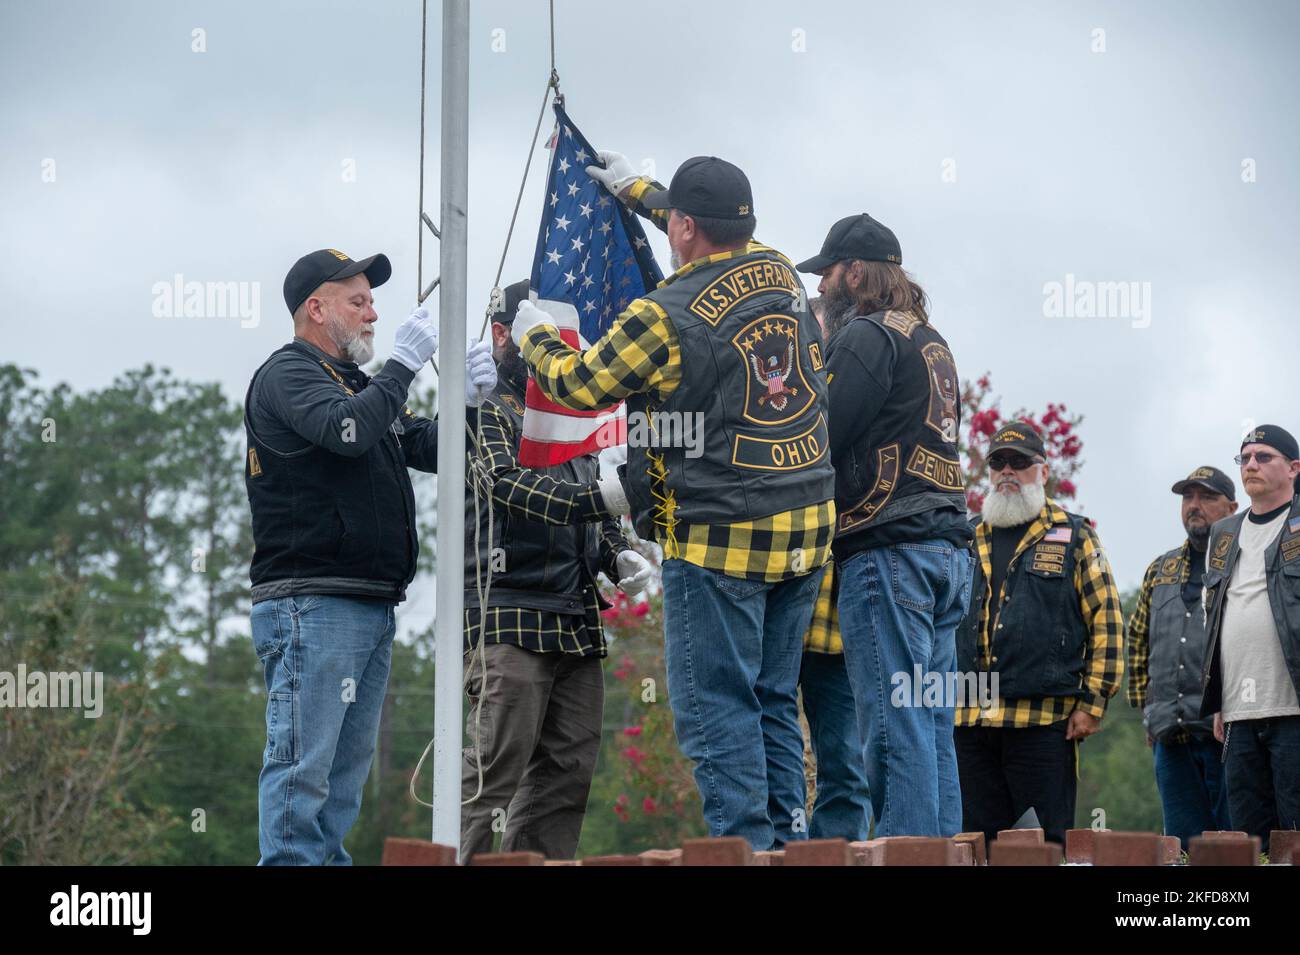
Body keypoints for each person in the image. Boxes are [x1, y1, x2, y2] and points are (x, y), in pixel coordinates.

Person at [511, 153, 835, 850]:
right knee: (774, 697)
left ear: (684, 227)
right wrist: (637, 190)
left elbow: (577, 384)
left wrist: (532, 330)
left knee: (716, 705)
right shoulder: (779, 269)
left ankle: (744, 849)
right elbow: (694, 222)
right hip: (808, 525)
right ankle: (788, 843)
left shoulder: (661, 316)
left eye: (673, 221)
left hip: (722, 537)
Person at [244, 247, 496, 864]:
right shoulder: (288, 374)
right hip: (313, 602)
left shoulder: (356, 386)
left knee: (339, 789)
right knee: (302, 775)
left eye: (372, 301)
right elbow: (348, 433)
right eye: (358, 301)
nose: (373, 314)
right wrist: (405, 366)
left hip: (363, 602)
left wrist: (471, 400)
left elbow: (436, 450)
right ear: (316, 308)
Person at [459, 279, 651, 860]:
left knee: (565, 777)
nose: (561, 349)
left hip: (575, 615)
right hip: (507, 613)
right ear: (503, 335)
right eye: (542, 334)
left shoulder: (573, 417)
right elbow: (509, 488)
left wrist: (614, 548)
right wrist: (603, 503)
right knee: (495, 770)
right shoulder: (486, 411)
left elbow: (588, 491)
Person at [797, 214, 972, 837]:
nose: (821, 288)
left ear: (854, 271)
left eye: (827, 274)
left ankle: (911, 857)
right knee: (930, 728)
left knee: (894, 732)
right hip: (947, 552)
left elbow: (820, 438)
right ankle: (943, 850)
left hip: (888, 551)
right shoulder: (931, 338)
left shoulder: (866, 336)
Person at [953, 423, 1124, 848]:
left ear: (1042, 471)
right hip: (969, 721)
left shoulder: (1076, 535)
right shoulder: (964, 537)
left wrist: (1094, 703)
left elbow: (1107, 620)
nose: (1007, 470)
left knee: (1044, 847)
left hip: (1043, 724)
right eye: (998, 462)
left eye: (1020, 462)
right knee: (975, 847)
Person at [1200, 425, 1300, 852]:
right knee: (1249, 843)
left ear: (1294, 468)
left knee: (1294, 835)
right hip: (1240, 712)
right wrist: (1219, 700)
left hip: (1293, 706)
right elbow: (1215, 616)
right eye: (1244, 458)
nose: (1251, 465)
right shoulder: (1223, 533)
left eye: (1264, 456)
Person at [1127, 466, 1236, 847]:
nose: (1195, 506)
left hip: (1227, 736)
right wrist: (1147, 712)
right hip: (1171, 737)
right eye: (1188, 498)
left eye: (1206, 497)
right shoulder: (1160, 569)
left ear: (1232, 507)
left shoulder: (1242, 563)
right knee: (1180, 848)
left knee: (1235, 847)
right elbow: (1138, 640)